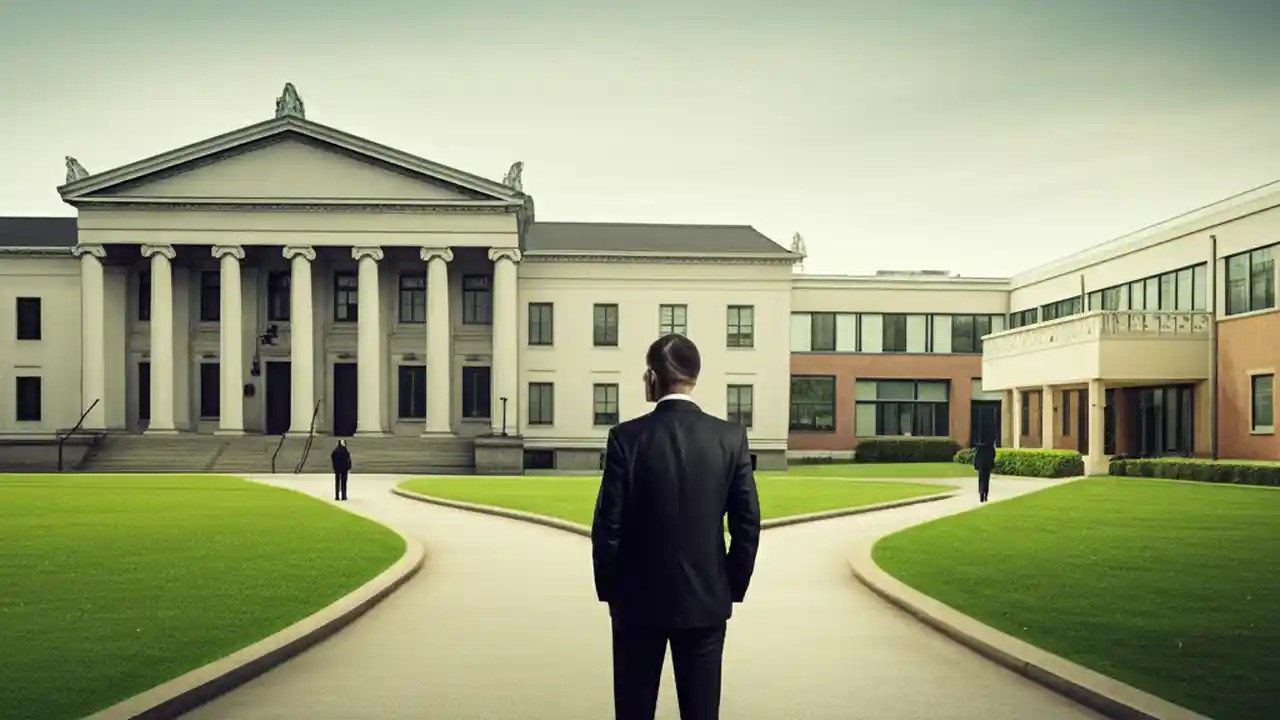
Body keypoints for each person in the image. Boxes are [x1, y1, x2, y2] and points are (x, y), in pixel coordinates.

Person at [591, 334, 761, 720]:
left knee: (634, 712)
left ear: (652, 377)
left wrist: (611, 591)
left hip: (636, 604)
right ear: (694, 378)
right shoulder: (729, 438)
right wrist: (729, 586)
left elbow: (607, 526)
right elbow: (747, 523)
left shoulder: (626, 438)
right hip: (705, 601)